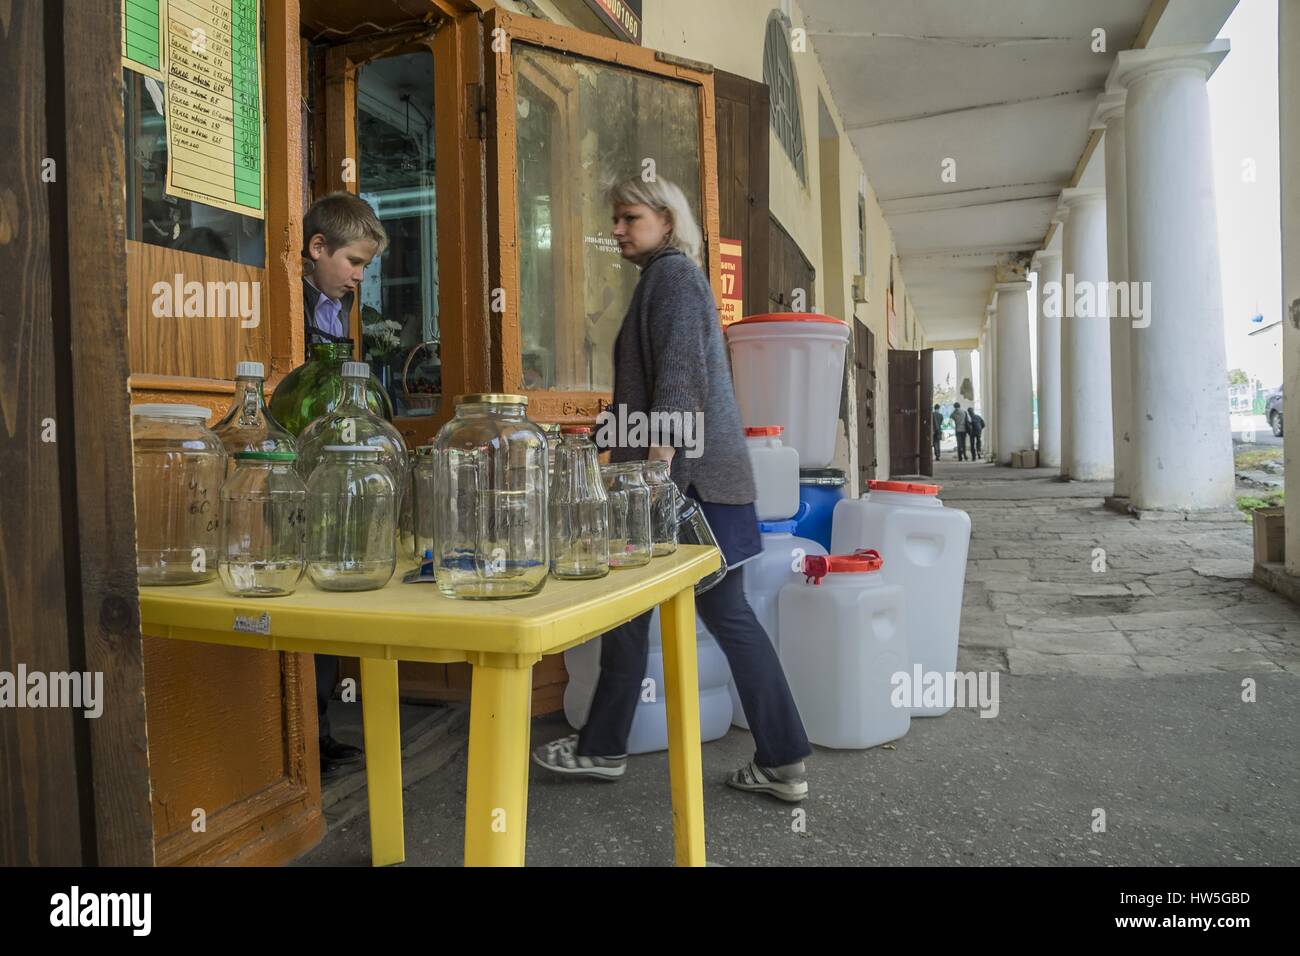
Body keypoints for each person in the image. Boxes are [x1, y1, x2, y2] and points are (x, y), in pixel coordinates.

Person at [531, 175, 813, 802]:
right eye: (616, 218)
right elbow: (649, 392)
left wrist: (655, 477)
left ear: (666, 218)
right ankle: (616, 746)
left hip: (688, 487)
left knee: (696, 615)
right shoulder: (664, 280)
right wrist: (599, 437)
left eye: (629, 217)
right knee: (655, 615)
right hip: (697, 481)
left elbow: (680, 384)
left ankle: (615, 747)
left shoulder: (674, 278)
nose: (617, 229)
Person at [301, 192, 389, 779]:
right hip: (305, 463)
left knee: (329, 596)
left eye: (365, 266)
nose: (359, 276)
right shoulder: (292, 304)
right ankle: (308, 735)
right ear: (317, 247)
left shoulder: (338, 306)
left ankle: (322, 731)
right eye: (353, 262)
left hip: (335, 462)